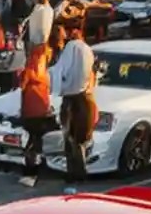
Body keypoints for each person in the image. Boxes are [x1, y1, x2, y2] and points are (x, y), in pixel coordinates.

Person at [53, 23, 97, 186]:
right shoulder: (87, 52)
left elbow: (61, 72)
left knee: (72, 139)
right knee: (76, 140)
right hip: (83, 99)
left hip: (75, 100)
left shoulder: (72, 49)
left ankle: (76, 171)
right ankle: (78, 171)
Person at [17, 42, 54, 187]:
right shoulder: (44, 73)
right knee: (36, 142)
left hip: (31, 112)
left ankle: (30, 172)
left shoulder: (29, 71)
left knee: (32, 143)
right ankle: (34, 169)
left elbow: (21, 88)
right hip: (41, 111)